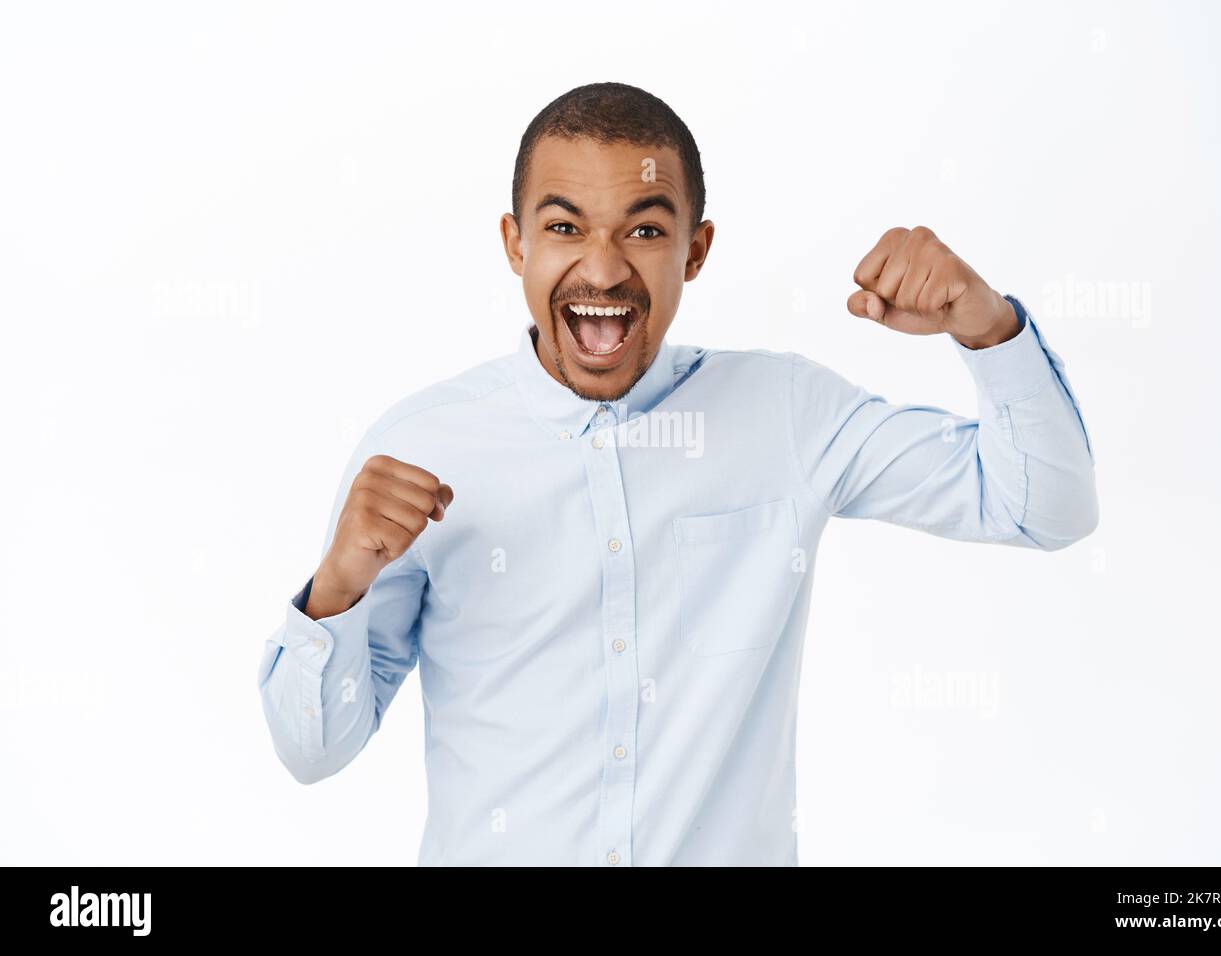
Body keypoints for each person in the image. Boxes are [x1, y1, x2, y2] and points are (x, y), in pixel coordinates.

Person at [256, 81, 1098, 866]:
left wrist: (988, 328)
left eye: (645, 230)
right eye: (563, 227)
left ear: (695, 251)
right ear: (515, 243)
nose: (603, 267)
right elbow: (313, 750)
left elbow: (1043, 510)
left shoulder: (787, 413)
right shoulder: (422, 447)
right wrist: (337, 589)